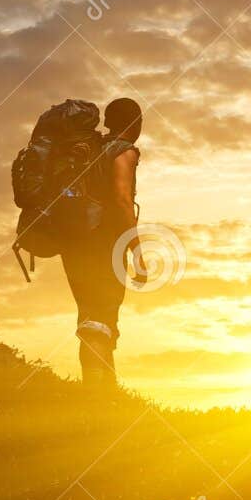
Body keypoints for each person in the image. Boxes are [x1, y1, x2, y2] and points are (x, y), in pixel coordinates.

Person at [62, 97, 145, 387]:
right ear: (135, 124)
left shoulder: (87, 149)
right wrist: (137, 252)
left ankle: (101, 388)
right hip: (104, 242)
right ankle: (98, 394)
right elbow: (122, 201)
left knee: (90, 316)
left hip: (73, 242)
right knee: (104, 315)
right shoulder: (124, 152)